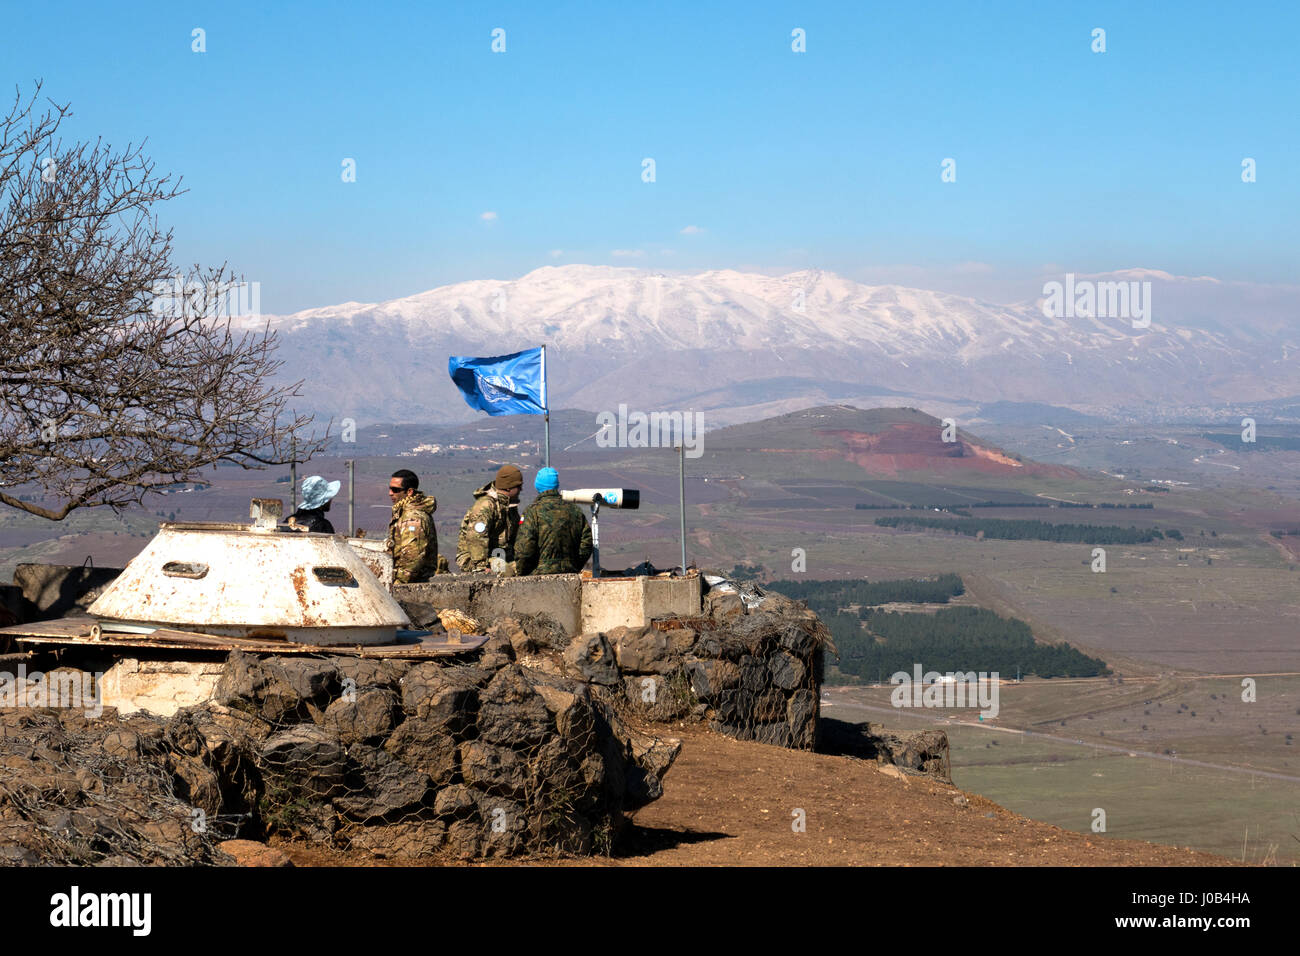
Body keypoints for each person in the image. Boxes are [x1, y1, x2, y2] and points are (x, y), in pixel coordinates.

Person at [514, 467, 592, 576]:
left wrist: (521, 571)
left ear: (537, 485)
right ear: (556, 485)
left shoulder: (532, 512)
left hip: (539, 576)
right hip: (570, 573)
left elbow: (525, 548)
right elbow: (586, 544)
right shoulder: (575, 510)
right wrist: (574, 565)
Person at [457, 464, 523, 573]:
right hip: (475, 559)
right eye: (518, 486)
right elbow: (476, 538)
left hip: (498, 554)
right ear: (508, 487)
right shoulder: (485, 506)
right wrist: (481, 566)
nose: (521, 489)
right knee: (506, 572)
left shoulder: (509, 507)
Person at [385, 469, 438, 583]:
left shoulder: (413, 518)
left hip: (412, 583)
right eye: (390, 488)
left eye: (395, 490)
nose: (390, 493)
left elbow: (412, 560)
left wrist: (397, 583)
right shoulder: (404, 512)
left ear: (409, 492)